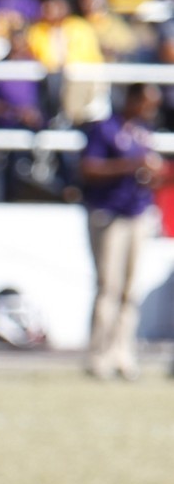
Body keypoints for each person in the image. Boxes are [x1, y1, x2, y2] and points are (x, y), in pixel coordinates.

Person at [79, 82, 164, 380]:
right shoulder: (106, 129)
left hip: (137, 212)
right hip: (109, 214)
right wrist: (130, 165)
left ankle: (122, 353)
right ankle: (98, 355)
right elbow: (89, 167)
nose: (150, 108)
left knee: (130, 289)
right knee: (108, 286)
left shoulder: (142, 133)